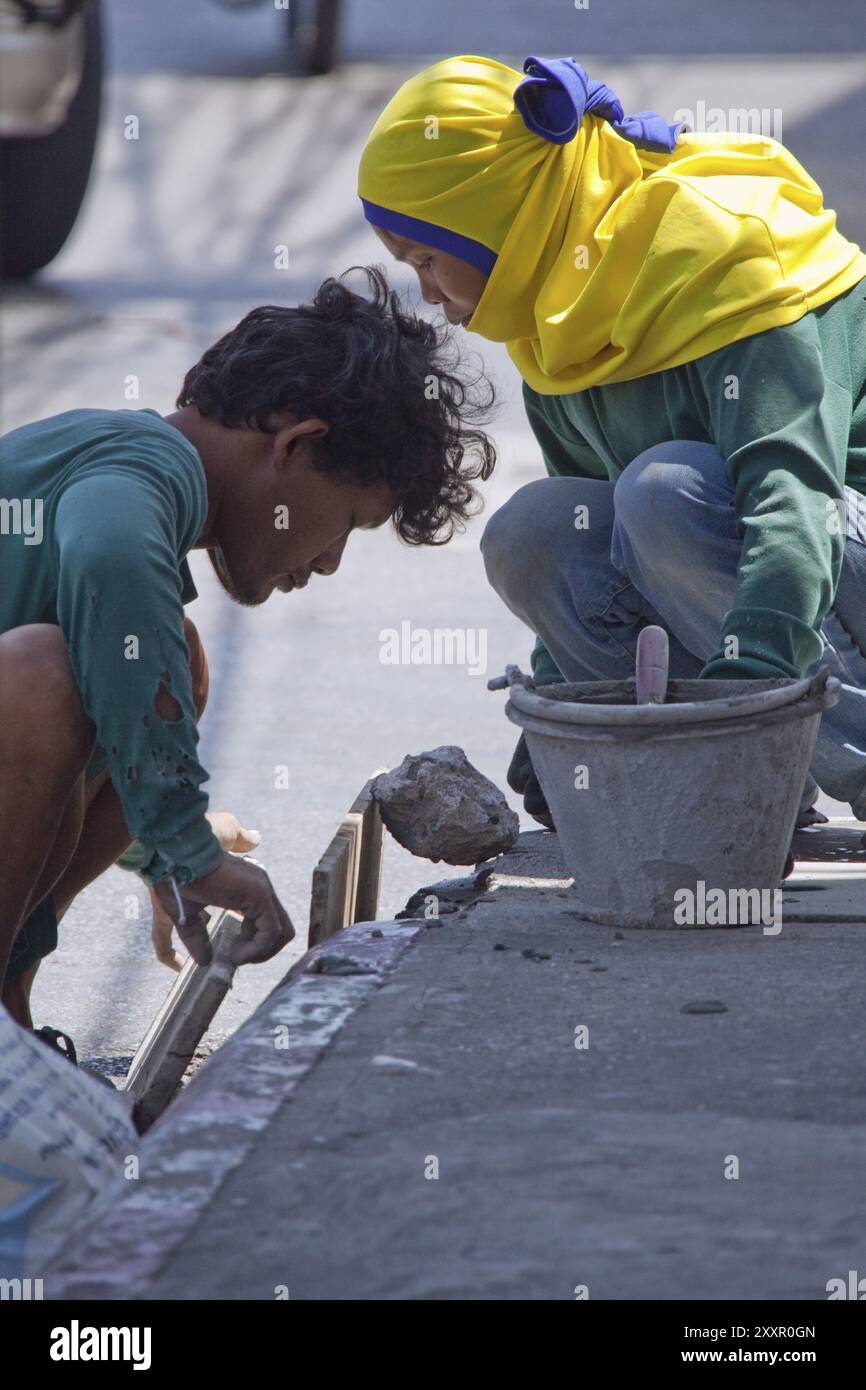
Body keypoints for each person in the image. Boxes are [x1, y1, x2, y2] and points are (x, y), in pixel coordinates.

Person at [357, 54, 866, 830]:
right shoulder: (561, 316)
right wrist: (563, 709)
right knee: (535, 529)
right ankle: (713, 807)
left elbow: (794, 507)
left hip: (830, 539)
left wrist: (744, 707)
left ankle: (806, 764)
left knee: (665, 493)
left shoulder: (726, 255)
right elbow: (594, 530)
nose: (426, 293)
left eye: (428, 257)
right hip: (784, 582)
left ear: (502, 213)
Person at [0, 268, 495, 1039]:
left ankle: (11, 1018)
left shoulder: (125, 463)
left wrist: (163, 847)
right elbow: (109, 556)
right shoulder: (142, 465)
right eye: (351, 524)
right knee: (46, 677)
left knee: (169, 660)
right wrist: (188, 850)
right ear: (298, 447)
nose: (328, 563)